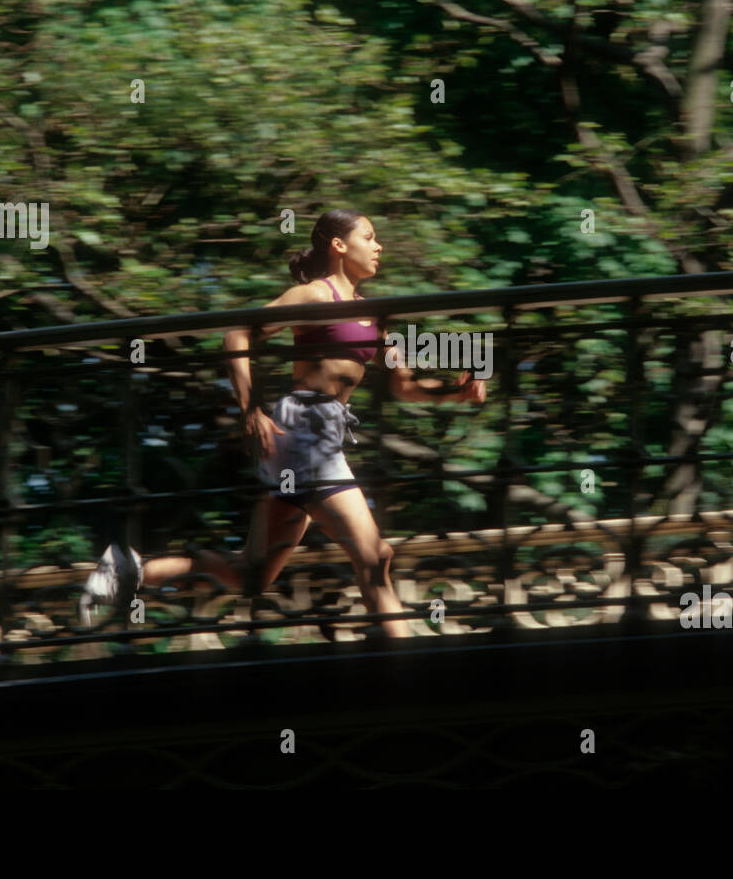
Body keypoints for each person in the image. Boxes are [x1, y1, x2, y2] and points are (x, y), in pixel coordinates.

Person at [79, 209, 487, 638]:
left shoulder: (375, 316)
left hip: (316, 441)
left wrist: (455, 392)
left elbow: (403, 387)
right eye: (369, 237)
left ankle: (129, 568)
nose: (379, 246)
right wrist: (250, 408)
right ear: (339, 246)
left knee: (252, 577)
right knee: (374, 556)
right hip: (304, 434)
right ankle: (406, 668)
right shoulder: (314, 296)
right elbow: (238, 334)